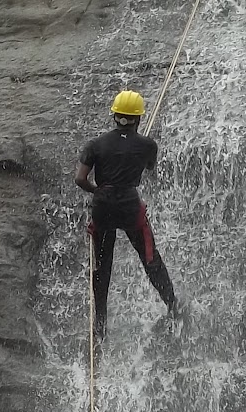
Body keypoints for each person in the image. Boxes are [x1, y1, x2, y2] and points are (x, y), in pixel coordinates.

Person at [74, 89, 179, 345]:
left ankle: (100, 327)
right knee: (150, 258)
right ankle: (173, 306)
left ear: (114, 116)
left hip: (103, 208)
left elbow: (80, 179)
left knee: (101, 268)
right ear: (139, 119)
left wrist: (98, 191)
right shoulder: (147, 146)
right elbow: (150, 168)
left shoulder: (95, 145)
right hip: (130, 207)